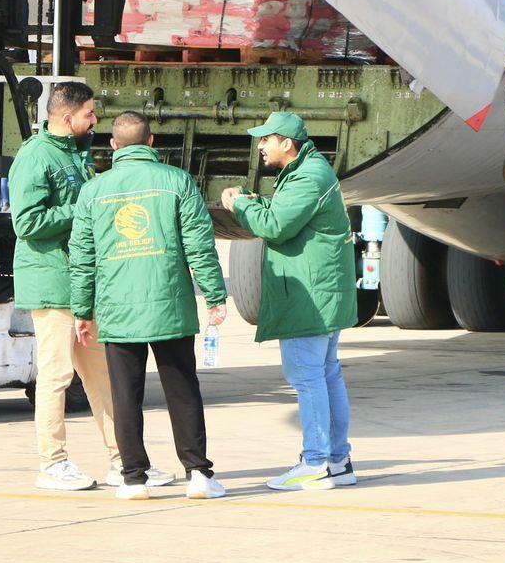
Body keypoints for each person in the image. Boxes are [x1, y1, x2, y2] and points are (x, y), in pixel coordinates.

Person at [10, 82, 174, 492]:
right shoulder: (36, 157)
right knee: (56, 376)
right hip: (53, 283)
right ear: (68, 118)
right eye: (89, 114)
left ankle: (125, 460)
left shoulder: (74, 154)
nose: (95, 120)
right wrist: (84, 206)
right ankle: (53, 463)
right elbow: (27, 223)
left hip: (84, 285)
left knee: (103, 378)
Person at [69, 110, 229, 501]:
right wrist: (215, 295)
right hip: (169, 306)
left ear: (113, 146)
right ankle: (198, 474)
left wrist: (82, 310)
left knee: (126, 394)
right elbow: (199, 245)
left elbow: (82, 256)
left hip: (118, 310)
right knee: (182, 389)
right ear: (152, 142)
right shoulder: (177, 183)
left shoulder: (93, 192)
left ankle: (133, 477)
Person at [222, 111, 358, 491]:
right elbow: (287, 217)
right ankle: (337, 460)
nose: (260, 145)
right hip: (321, 293)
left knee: (307, 376)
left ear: (287, 143)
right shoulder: (307, 173)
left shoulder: (308, 177)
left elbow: (274, 227)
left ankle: (316, 462)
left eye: (266, 139)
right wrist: (258, 202)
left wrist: (241, 206)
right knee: (326, 374)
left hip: (309, 296)